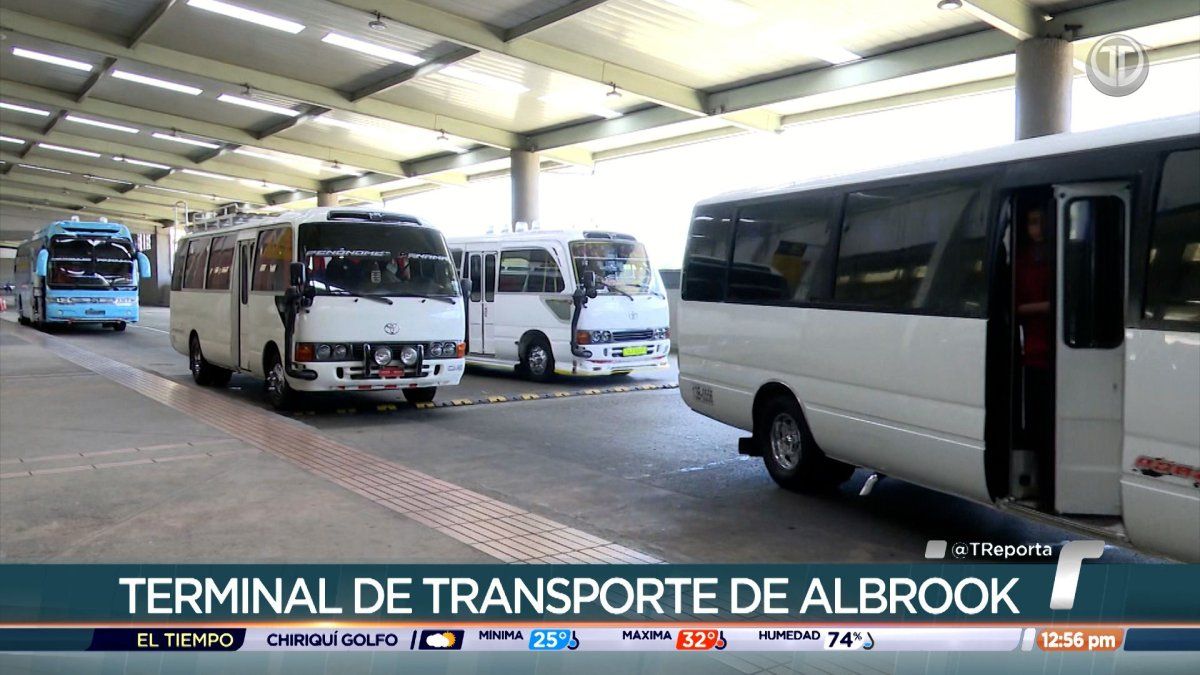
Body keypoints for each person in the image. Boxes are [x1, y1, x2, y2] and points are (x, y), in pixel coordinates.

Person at [1015, 206, 1052, 500]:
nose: (1034, 228)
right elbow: (1016, 307)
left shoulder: (1059, 255)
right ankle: (1043, 487)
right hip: (1036, 355)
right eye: (1030, 222)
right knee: (1039, 426)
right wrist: (1051, 307)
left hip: (1062, 353)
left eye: (1038, 220)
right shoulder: (1024, 261)